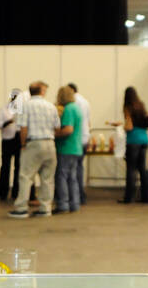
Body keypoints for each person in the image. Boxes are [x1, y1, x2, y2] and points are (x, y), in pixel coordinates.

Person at [8, 82, 59, 219]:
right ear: (42, 91)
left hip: (34, 143)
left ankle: (21, 208)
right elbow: (57, 127)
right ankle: (45, 208)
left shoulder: (26, 106)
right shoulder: (51, 106)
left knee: (26, 177)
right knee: (47, 178)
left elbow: (23, 127)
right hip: (50, 143)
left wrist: (23, 144)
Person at [112, 86, 148, 204]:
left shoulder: (128, 107)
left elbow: (129, 127)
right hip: (144, 139)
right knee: (142, 169)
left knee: (131, 169)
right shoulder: (141, 105)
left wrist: (120, 126)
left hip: (133, 141)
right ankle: (146, 197)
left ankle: (129, 198)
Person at [53, 85, 84, 214]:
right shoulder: (77, 108)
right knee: (72, 178)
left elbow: (68, 129)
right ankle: (74, 203)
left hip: (66, 148)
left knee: (61, 176)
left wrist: (53, 134)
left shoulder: (69, 109)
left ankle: (63, 204)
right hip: (76, 148)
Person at [0, 88, 22, 202]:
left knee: (18, 166)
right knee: (5, 166)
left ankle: (16, 192)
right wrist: (8, 122)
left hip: (18, 138)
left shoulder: (22, 110)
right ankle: (3, 192)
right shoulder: (3, 110)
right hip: (7, 139)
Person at [69, 82, 91, 205]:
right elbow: (88, 121)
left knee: (71, 170)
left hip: (74, 140)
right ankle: (81, 195)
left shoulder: (72, 103)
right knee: (79, 167)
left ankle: (75, 197)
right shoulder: (86, 102)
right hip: (84, 138)